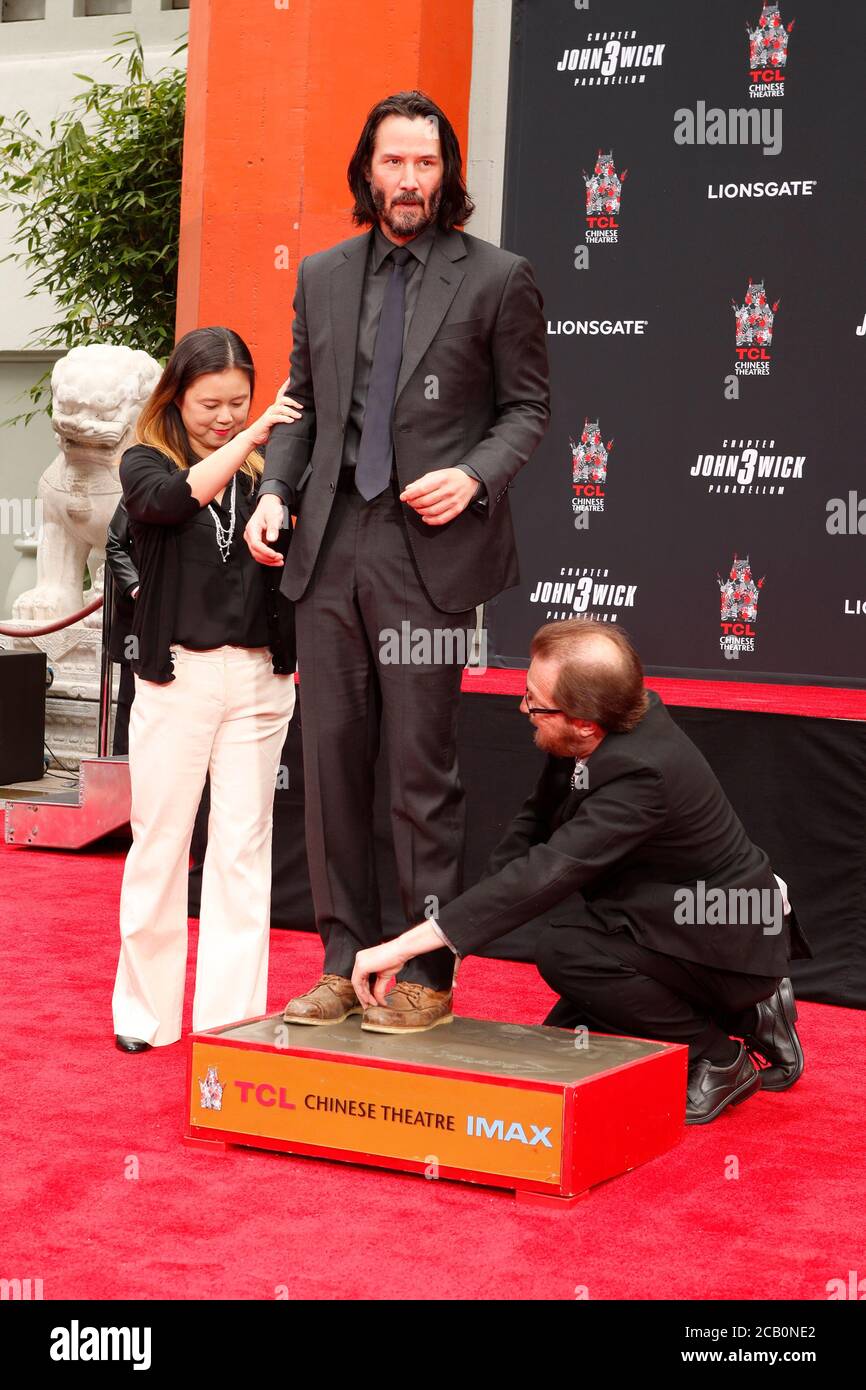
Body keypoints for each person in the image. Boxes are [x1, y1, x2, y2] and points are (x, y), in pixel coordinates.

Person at [245, 90, 550, 1035]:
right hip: (330, 548)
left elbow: (527, 411)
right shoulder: (325, 274)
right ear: (367, 169)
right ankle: (342, 963)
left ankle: (424, 971)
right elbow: (300, 403)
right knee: (331, 768)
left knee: (420, 773)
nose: (408, 180)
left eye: (425, 164)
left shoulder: (500, 278)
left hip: (429, 557)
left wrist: (473, 476)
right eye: (392, 163)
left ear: (446, 173)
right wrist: (272, 492)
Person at [351, 618, 811, 1124]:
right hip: (660, 920)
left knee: (568, 954)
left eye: (534, 702)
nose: (522, 708)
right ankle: (752, 1015)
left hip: (729, 946)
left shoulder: (642, 774)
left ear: (585, 721)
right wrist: (456, 942)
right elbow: (531, 830)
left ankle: (719, 1055)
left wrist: (402, 946)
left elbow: (547, 872)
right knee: (565, 1047)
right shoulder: (599, 726)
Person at [111, 327, 302, 1052]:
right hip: (177, 675)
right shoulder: (143, 461)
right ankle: (145, 1016)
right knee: (159, 843)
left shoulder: (271, 474)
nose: (225, 416)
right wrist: (253, 433)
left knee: (243, 850)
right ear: (176, 399)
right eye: (209, 404)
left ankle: (229, 1022)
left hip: (259, 676)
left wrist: (273, 473)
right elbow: (167, 503)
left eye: (239, 403)